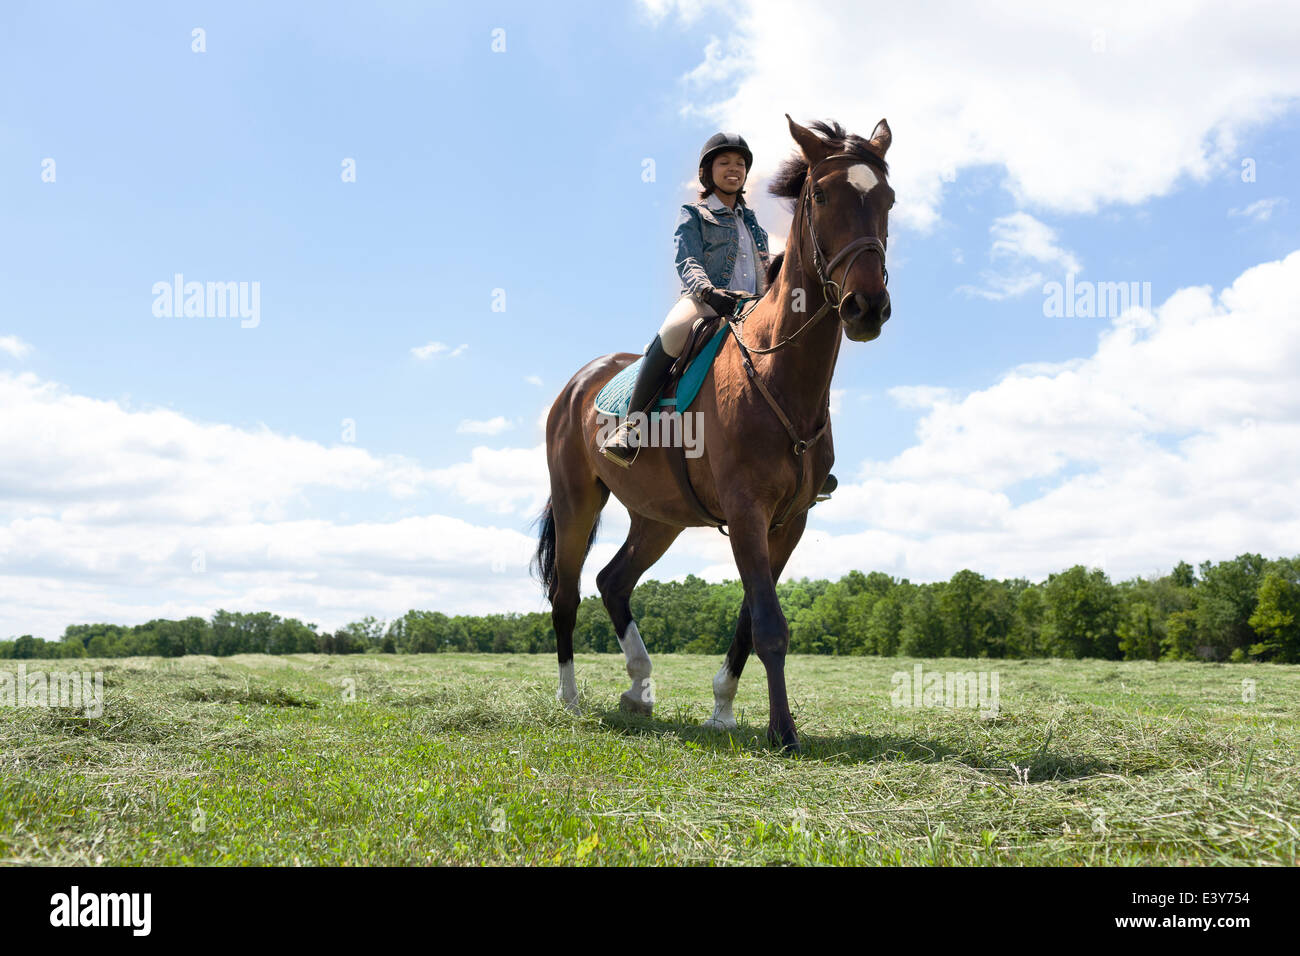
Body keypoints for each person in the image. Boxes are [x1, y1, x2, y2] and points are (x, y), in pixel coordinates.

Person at [601, 132, 767, 466]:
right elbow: (687, 260)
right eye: (725, 162)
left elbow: (768, 269)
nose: (733, 168)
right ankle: (632, 427)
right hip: (709, 299)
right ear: (708, 171)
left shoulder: (755, 225)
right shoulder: (694, 212)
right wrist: (708, 292)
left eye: (740, 163)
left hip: (754, 306)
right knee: (674, 330)